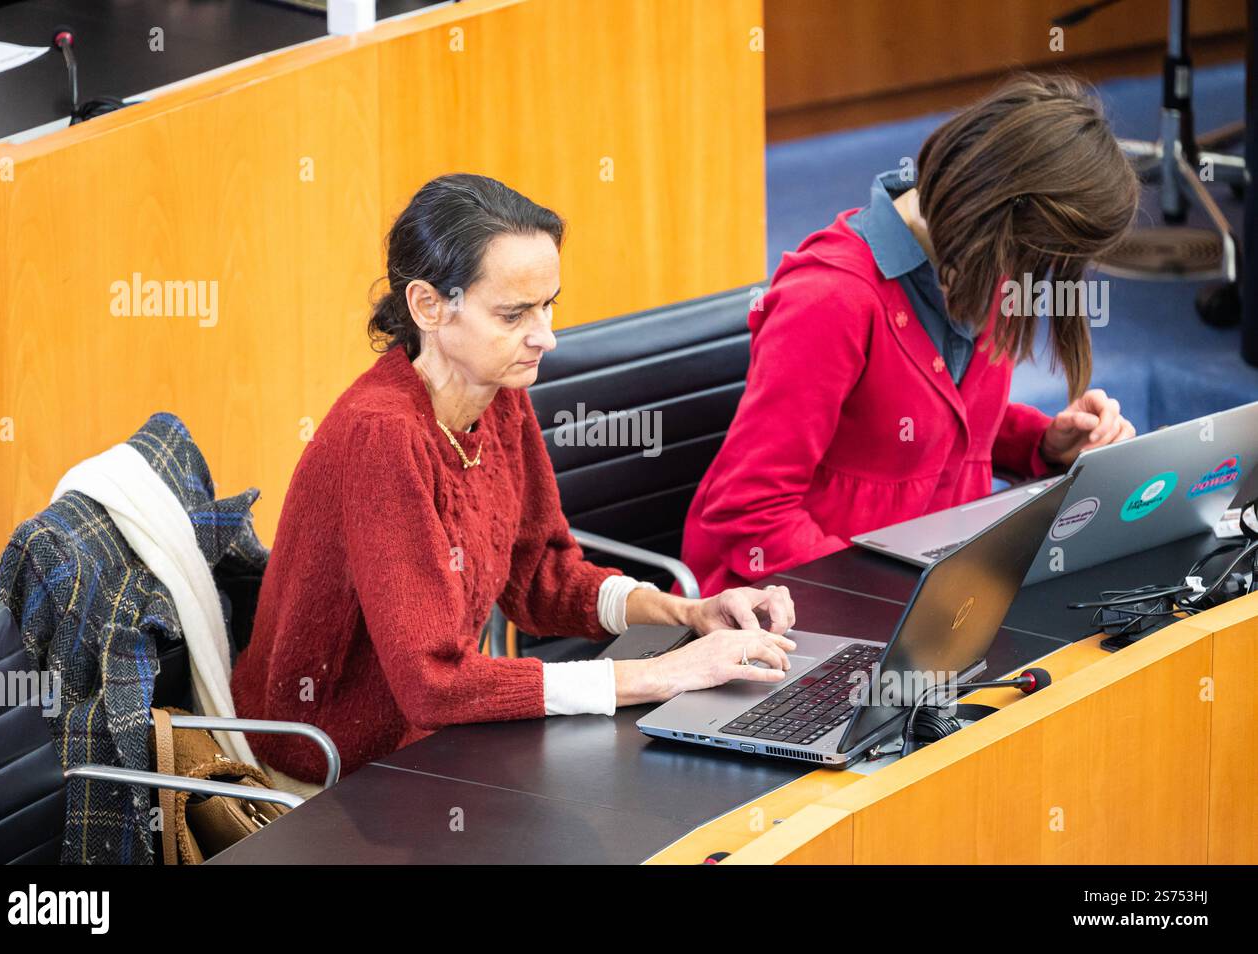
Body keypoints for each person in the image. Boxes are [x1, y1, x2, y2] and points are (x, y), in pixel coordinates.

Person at [231, 173, 797, 790]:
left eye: (549, 304)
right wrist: (658, 674)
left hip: (433, 742)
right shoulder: (381, 436)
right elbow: (433, 683)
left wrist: (685, 611)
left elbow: (540, 578)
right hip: (336, 766)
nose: (546, 336)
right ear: (427, 306)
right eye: (514, 313)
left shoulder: (497, 393)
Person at [682, 73, 1141, 596]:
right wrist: (894, 595)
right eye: (1038, 260)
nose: (1033, 281)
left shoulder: (979, 259)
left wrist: (1042, 443)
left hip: (930, 596)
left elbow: (936, 425)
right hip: (791, 611)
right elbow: (750, 513)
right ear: (998, 224)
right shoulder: (831, 300)